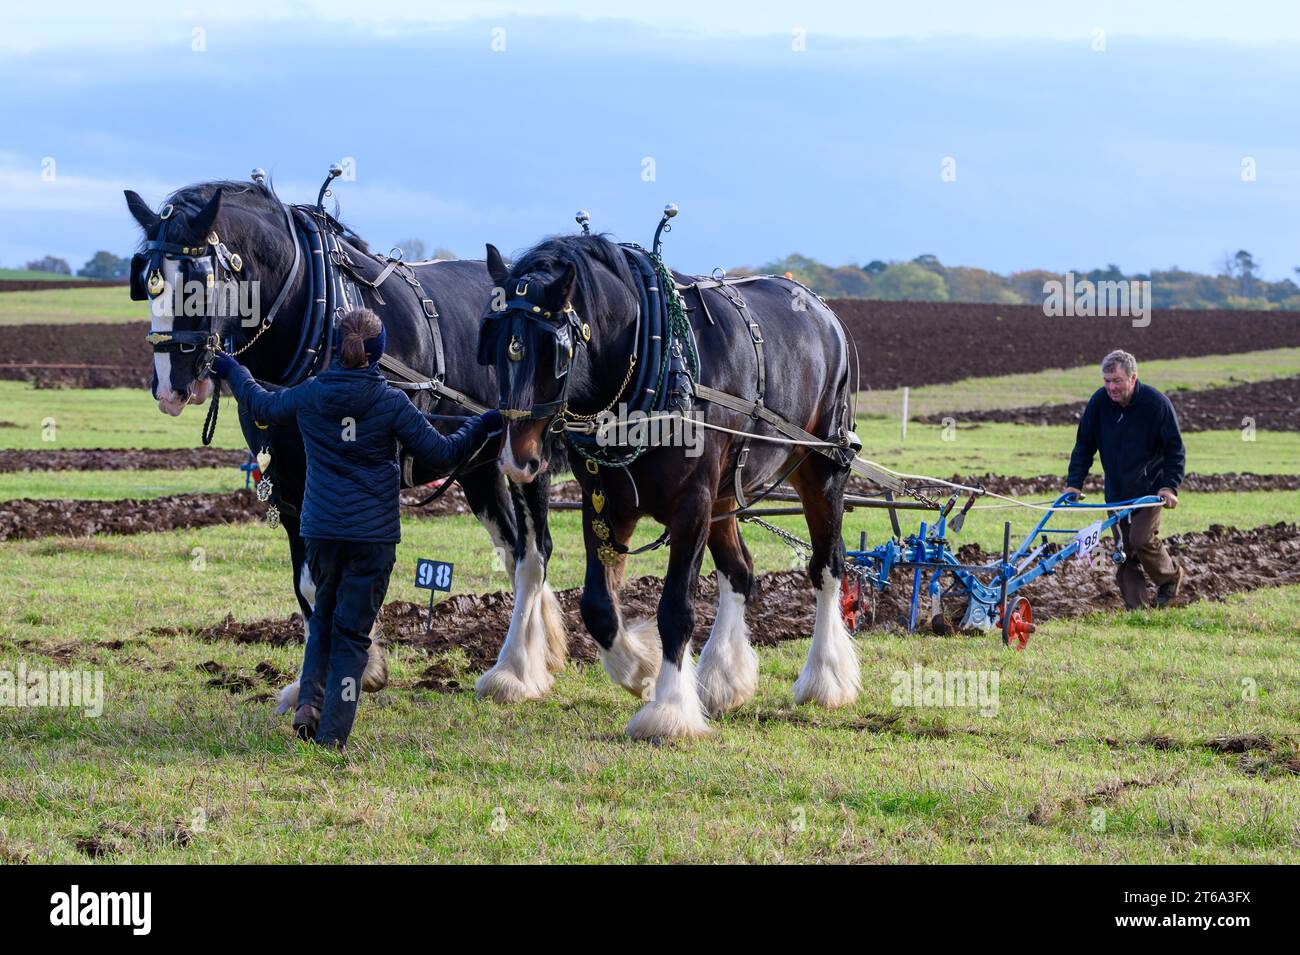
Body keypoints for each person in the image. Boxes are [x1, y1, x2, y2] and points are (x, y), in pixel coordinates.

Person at [212, 308, 502, 749]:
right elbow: (442, 455)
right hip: (372, 539)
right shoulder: (390, 402)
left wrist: (233, 369)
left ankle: (309, 704)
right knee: (350, 636)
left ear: (333, 349)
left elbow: (261, 404)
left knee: (324, 618)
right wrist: (481, 424)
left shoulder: (310, 393)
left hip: (320, 533)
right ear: (379, 355)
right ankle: (331, 736)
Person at [1064, 349, 1184, 610]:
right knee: (1123, 550)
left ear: (1133, 378)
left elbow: (1174, 449)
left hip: (1150, 490)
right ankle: (1137, 609)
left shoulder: (1156, 404)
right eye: (1107, 381)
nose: (1111, 387)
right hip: (1117, 490)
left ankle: (1169, 578)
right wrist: (1074, 483)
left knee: (1141, 539)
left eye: (1117, 381)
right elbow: (1084, 445)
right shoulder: (1099, 403)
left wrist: (1169, 486)